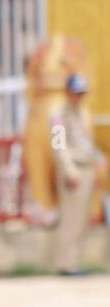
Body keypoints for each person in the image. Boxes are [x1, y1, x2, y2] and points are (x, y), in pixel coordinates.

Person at [50, 73, 106, 275]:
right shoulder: (58, 114)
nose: (79, 97)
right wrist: (68, 171)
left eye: (81, 93)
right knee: (71, 220)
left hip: (87, 169)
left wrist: (99, 159)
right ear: (67, 93)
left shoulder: (83, 113)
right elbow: (58, 146)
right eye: (76, 93)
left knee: (82, 221)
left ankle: (74, 262)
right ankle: (66, 265)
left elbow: (86, 143)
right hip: (72, 171)